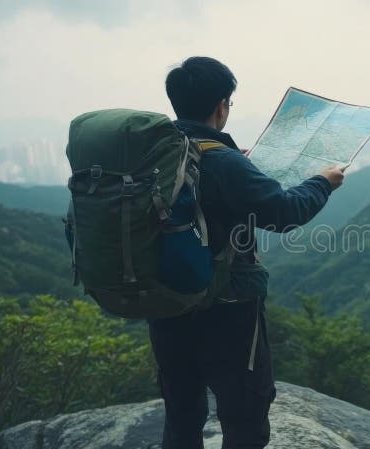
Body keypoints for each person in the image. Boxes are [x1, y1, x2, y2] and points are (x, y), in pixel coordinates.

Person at [148, 56, 345, 449]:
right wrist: (323, 182)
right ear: (221, 106)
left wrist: (237, 165)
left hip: (165, 302)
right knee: (245, 416)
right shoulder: (222, 161)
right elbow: (285, 213)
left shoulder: (156, 153)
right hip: (227, 307)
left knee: (182, 413)